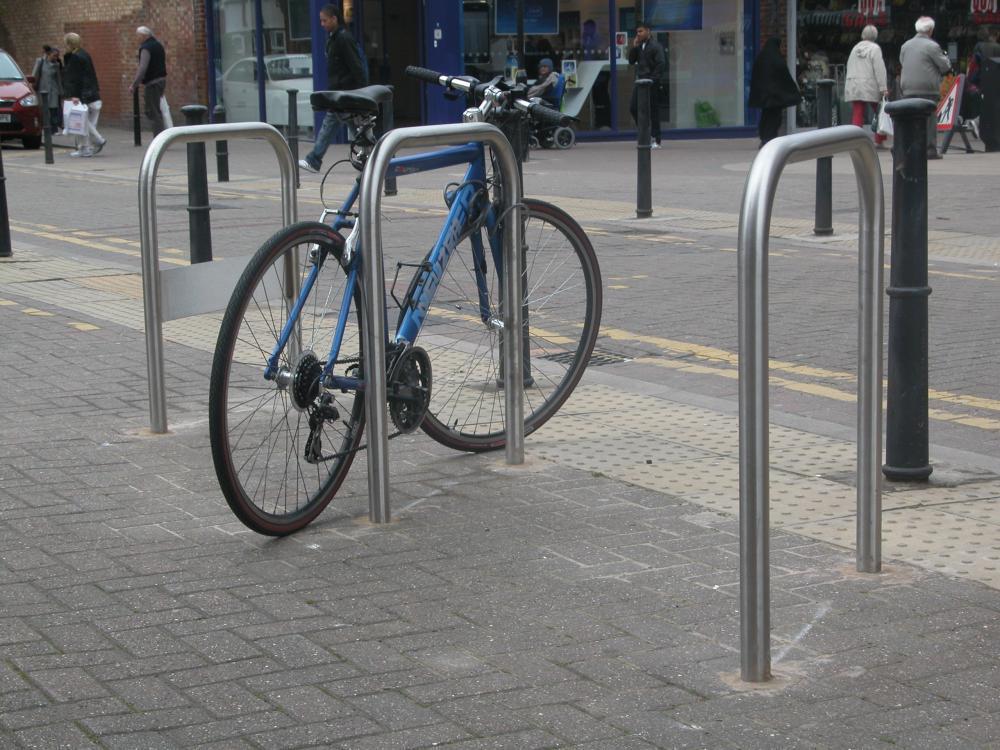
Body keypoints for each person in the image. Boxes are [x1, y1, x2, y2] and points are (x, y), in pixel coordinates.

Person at [299, 3, 368, 174]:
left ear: (334, 19)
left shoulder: (343, 38)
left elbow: (356, 67)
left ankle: (314, 160)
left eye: (324, 20)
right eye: (321, 21)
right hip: (341, 93)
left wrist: (359, 93)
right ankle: (372, 156)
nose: (322, 24)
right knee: (355, 128)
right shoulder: (334, 37)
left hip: (344, 93)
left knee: (331, 125)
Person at [900, 16, 952, 159]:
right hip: (926, 88)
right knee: (929, 119)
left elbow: (902, 61)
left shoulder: (905, 45)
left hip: (908, 87)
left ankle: (907, 147)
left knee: (910, 118)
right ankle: (930, 149)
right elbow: (945, 66)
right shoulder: (932, 46)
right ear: (930, 30)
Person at [748, 37, 801, 146]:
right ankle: (770, 138)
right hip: (775, 96)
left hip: (764, 95)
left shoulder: (761, 57)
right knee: (774, 118)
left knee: (765, 116)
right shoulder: (776, 58)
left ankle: (764, 137)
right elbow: (783, 75)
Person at [62, 32, 106, 157]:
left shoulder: (75, 57)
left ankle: (97, 140)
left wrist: (75, 95)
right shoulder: (84, 54)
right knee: (85, 123)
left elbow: (76, 78)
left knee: (81, 122)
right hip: (93, 94)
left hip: (84, 95)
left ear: (69, 43)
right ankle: (85, 148)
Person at [844, 25, 889, 147]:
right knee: (879, 112)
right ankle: (879, 140)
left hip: (854, 84)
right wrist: (883, 88)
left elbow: (849, 66)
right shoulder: (875, 49)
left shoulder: (854, 48)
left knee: (858, 112)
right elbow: (879, 69)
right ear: (875, 36)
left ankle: (855, 141)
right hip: (869, 84)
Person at [628, 21, 666, 148]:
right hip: (640, 82)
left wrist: (653, 80)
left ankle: (657, 139)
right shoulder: (639, 46)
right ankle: (645, 133)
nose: (638, 34)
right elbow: (631, 61)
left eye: (641, 31)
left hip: (651, 83)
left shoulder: (656, 46)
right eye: (637, 32)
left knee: (653, 111)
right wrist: (634, 47)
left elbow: (661, 64)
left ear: (648, 31)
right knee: (633, 107)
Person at [129, 26, 169, 135]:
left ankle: (159, 137)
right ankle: (162, 135)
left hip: (152, 82)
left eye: (138, 36)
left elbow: (142, 68)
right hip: (161, 80)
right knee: (156, 110)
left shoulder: (146, 48)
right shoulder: (158, 45)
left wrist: (134, 84)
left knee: (153, 111)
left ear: (144, 36)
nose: (137, 38)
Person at [31, 45, 63, 132]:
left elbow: (58, 79)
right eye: (54, 55)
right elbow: (34, 75)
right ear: (49, 54)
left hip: (53, 90)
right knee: (44, 110)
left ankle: (54, 129)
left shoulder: (56, 65)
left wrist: (61, 91)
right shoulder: (40, 62)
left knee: (54, 110)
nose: (56, 58)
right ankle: (44, 128)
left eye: (57, 56)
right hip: (43, 89)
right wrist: (32, 87)